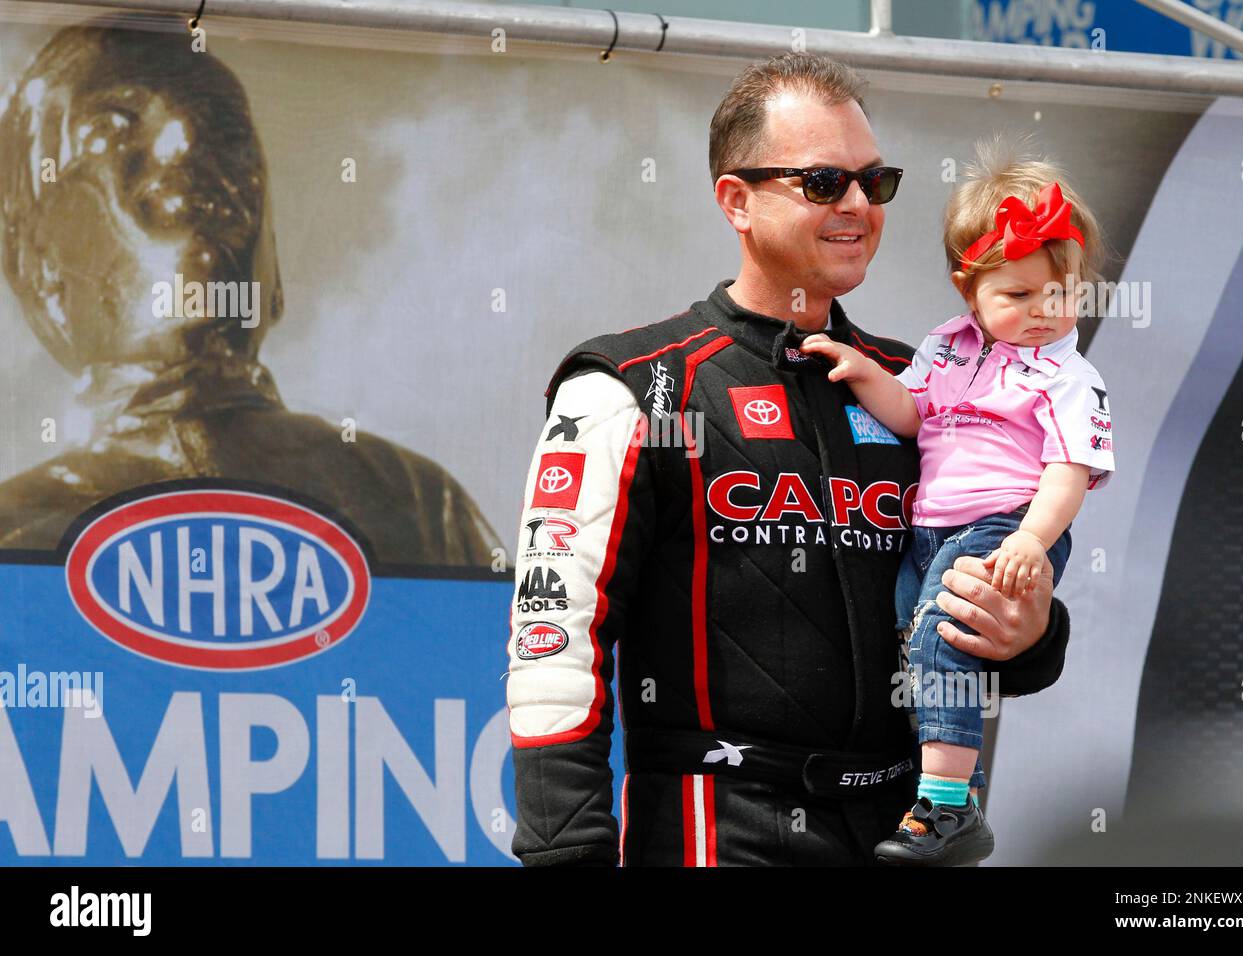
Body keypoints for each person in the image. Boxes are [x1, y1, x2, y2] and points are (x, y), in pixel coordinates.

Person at [506, 53, 1072, 867]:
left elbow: (1005, 606)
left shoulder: (928, 388)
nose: (856, 206)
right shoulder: (634, 386)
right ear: (735, 200)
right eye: (821, 182)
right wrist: (567, 853)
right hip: (718, 829)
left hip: (903, 832)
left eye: (874, 184)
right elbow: (554, 639)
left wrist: (1030, 635)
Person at [0, 16, 499, 567]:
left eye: (226, 134)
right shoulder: (18, 536)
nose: (188, 144)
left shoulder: (417, 506)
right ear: (36, 261)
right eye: (113, 129)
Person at [801, 144, 1114, 865]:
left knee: (944, 633)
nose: (1043, 312)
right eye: (1017, 295)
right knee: (915, 641)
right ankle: (951, 793)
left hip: (1007, 525)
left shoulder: (1069, 375)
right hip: (931, 528)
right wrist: (862, 372)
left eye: (1060, 294)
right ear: (967, 290)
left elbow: (1067, 473)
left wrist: (1031, 541)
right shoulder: (947, 345)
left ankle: (944, 810)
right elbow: (913, 412)